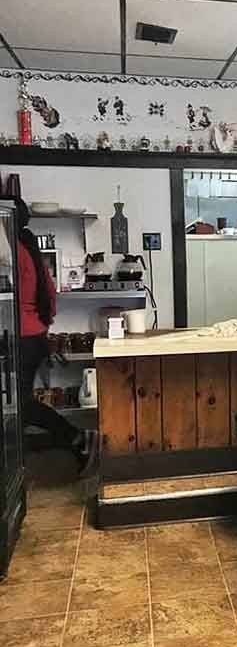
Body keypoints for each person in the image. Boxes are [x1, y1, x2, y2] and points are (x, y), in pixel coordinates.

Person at [15, 200, 97, 476]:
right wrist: (42, 327)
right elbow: (49, 293)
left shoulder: (11, 252)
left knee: (20, 405)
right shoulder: (28, 248)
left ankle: (79, 439)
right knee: (20, 404)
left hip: (19, 338)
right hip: (33, 336)